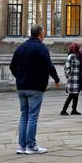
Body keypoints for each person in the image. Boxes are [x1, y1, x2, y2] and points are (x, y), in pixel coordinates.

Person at [10, 24, 60, 155]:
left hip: (22, 87)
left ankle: (21, 146)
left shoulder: (20, 48)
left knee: (24, 116)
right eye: (43, 33)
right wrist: (57, 79)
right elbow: (49, 66)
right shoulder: (41, 48)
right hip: (36, 87)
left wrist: (19, 77)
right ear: (40, 34)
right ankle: (31, 146)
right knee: (32, 116)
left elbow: (12, 66)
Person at [60, 42, 82, 116]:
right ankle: (63, 110)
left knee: (76, 95)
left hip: (77, 79)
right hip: (72, 79)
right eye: (79, 47)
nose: (80, 49)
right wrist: (69, 76)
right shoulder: (71, 56)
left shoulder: (78, 56)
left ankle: (74, 110)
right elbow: (67, 67)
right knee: (71, 95)